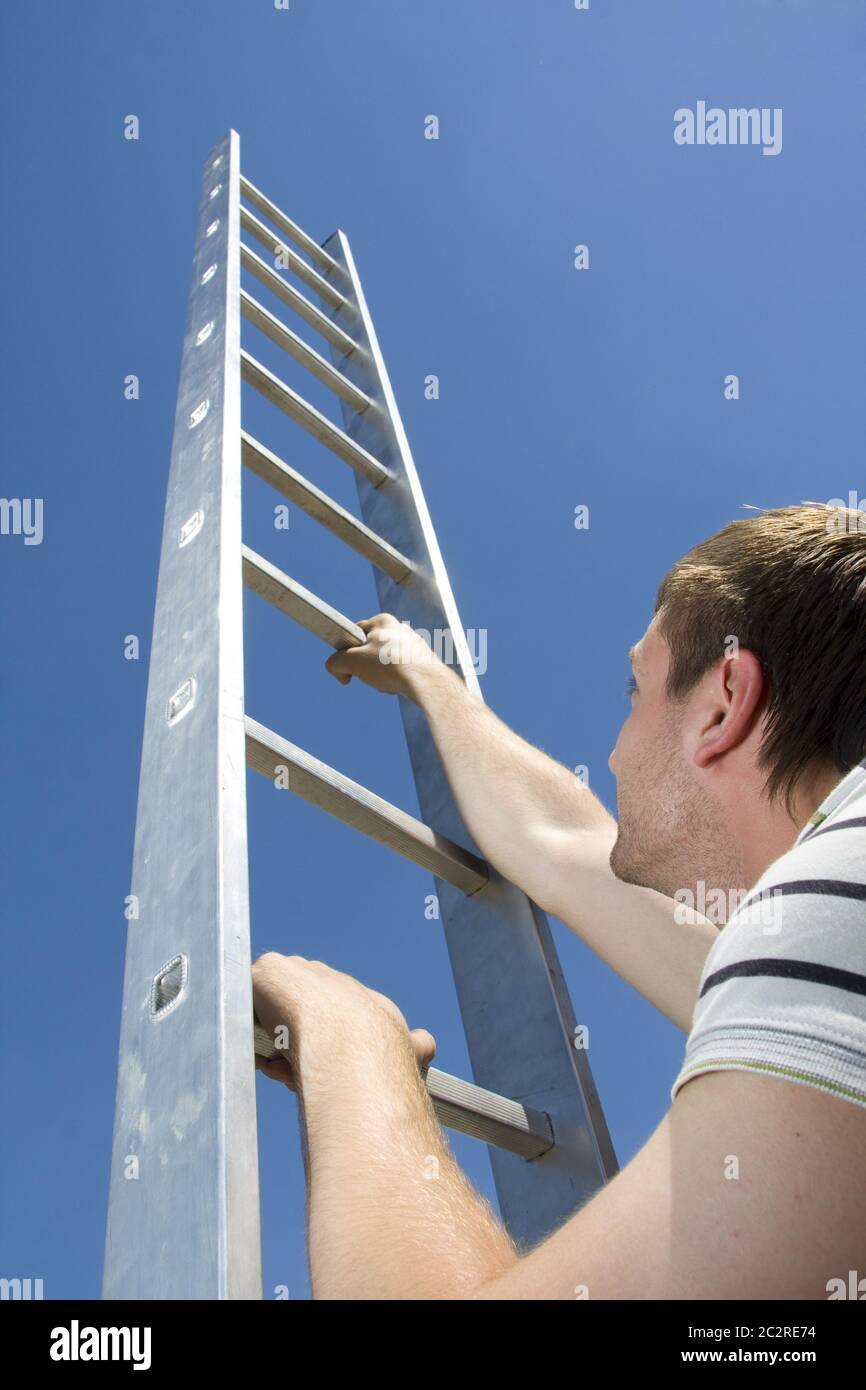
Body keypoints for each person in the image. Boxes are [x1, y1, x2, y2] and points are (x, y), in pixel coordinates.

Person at [252, 503, 866, 1299]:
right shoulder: (822, 940)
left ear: (722, 707)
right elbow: (560, 844)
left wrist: (349, 1040)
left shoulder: (832, 908)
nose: (609, 751)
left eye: (634, 688)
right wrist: (427, 677)